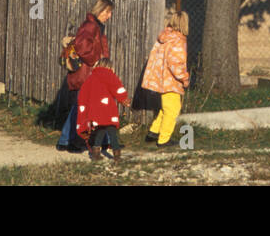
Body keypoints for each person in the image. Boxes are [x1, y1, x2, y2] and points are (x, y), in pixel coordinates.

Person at [57, 0, 113, 153]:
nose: (109, 16)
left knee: (78, 108)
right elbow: (82, 47)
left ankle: (65, 141)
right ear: (101, 10)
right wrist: (96, 61)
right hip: (85, 75)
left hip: (86, 74)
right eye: (108, 12)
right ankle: (76, 143)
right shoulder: (91, 26)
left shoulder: (96, 25)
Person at [142, 9, 191, 147]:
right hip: (171, 81)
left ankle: (153, 132)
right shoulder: (178, 40)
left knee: (165, 108)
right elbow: (175, 63)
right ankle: (164, 140)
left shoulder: (165, 37)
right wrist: (184, 78)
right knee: (173, 109)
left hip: (160, 79)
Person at [77, 59, 130, 160]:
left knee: (100, 129)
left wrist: (84, 108)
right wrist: (123, 99)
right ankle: (117, 155)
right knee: (112, 131)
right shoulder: (109, 75)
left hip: (95, 111)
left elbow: (83, 93)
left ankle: (95, 154)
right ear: (110, 67)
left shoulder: (91, 77)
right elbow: (116, 87)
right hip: (108, 110)